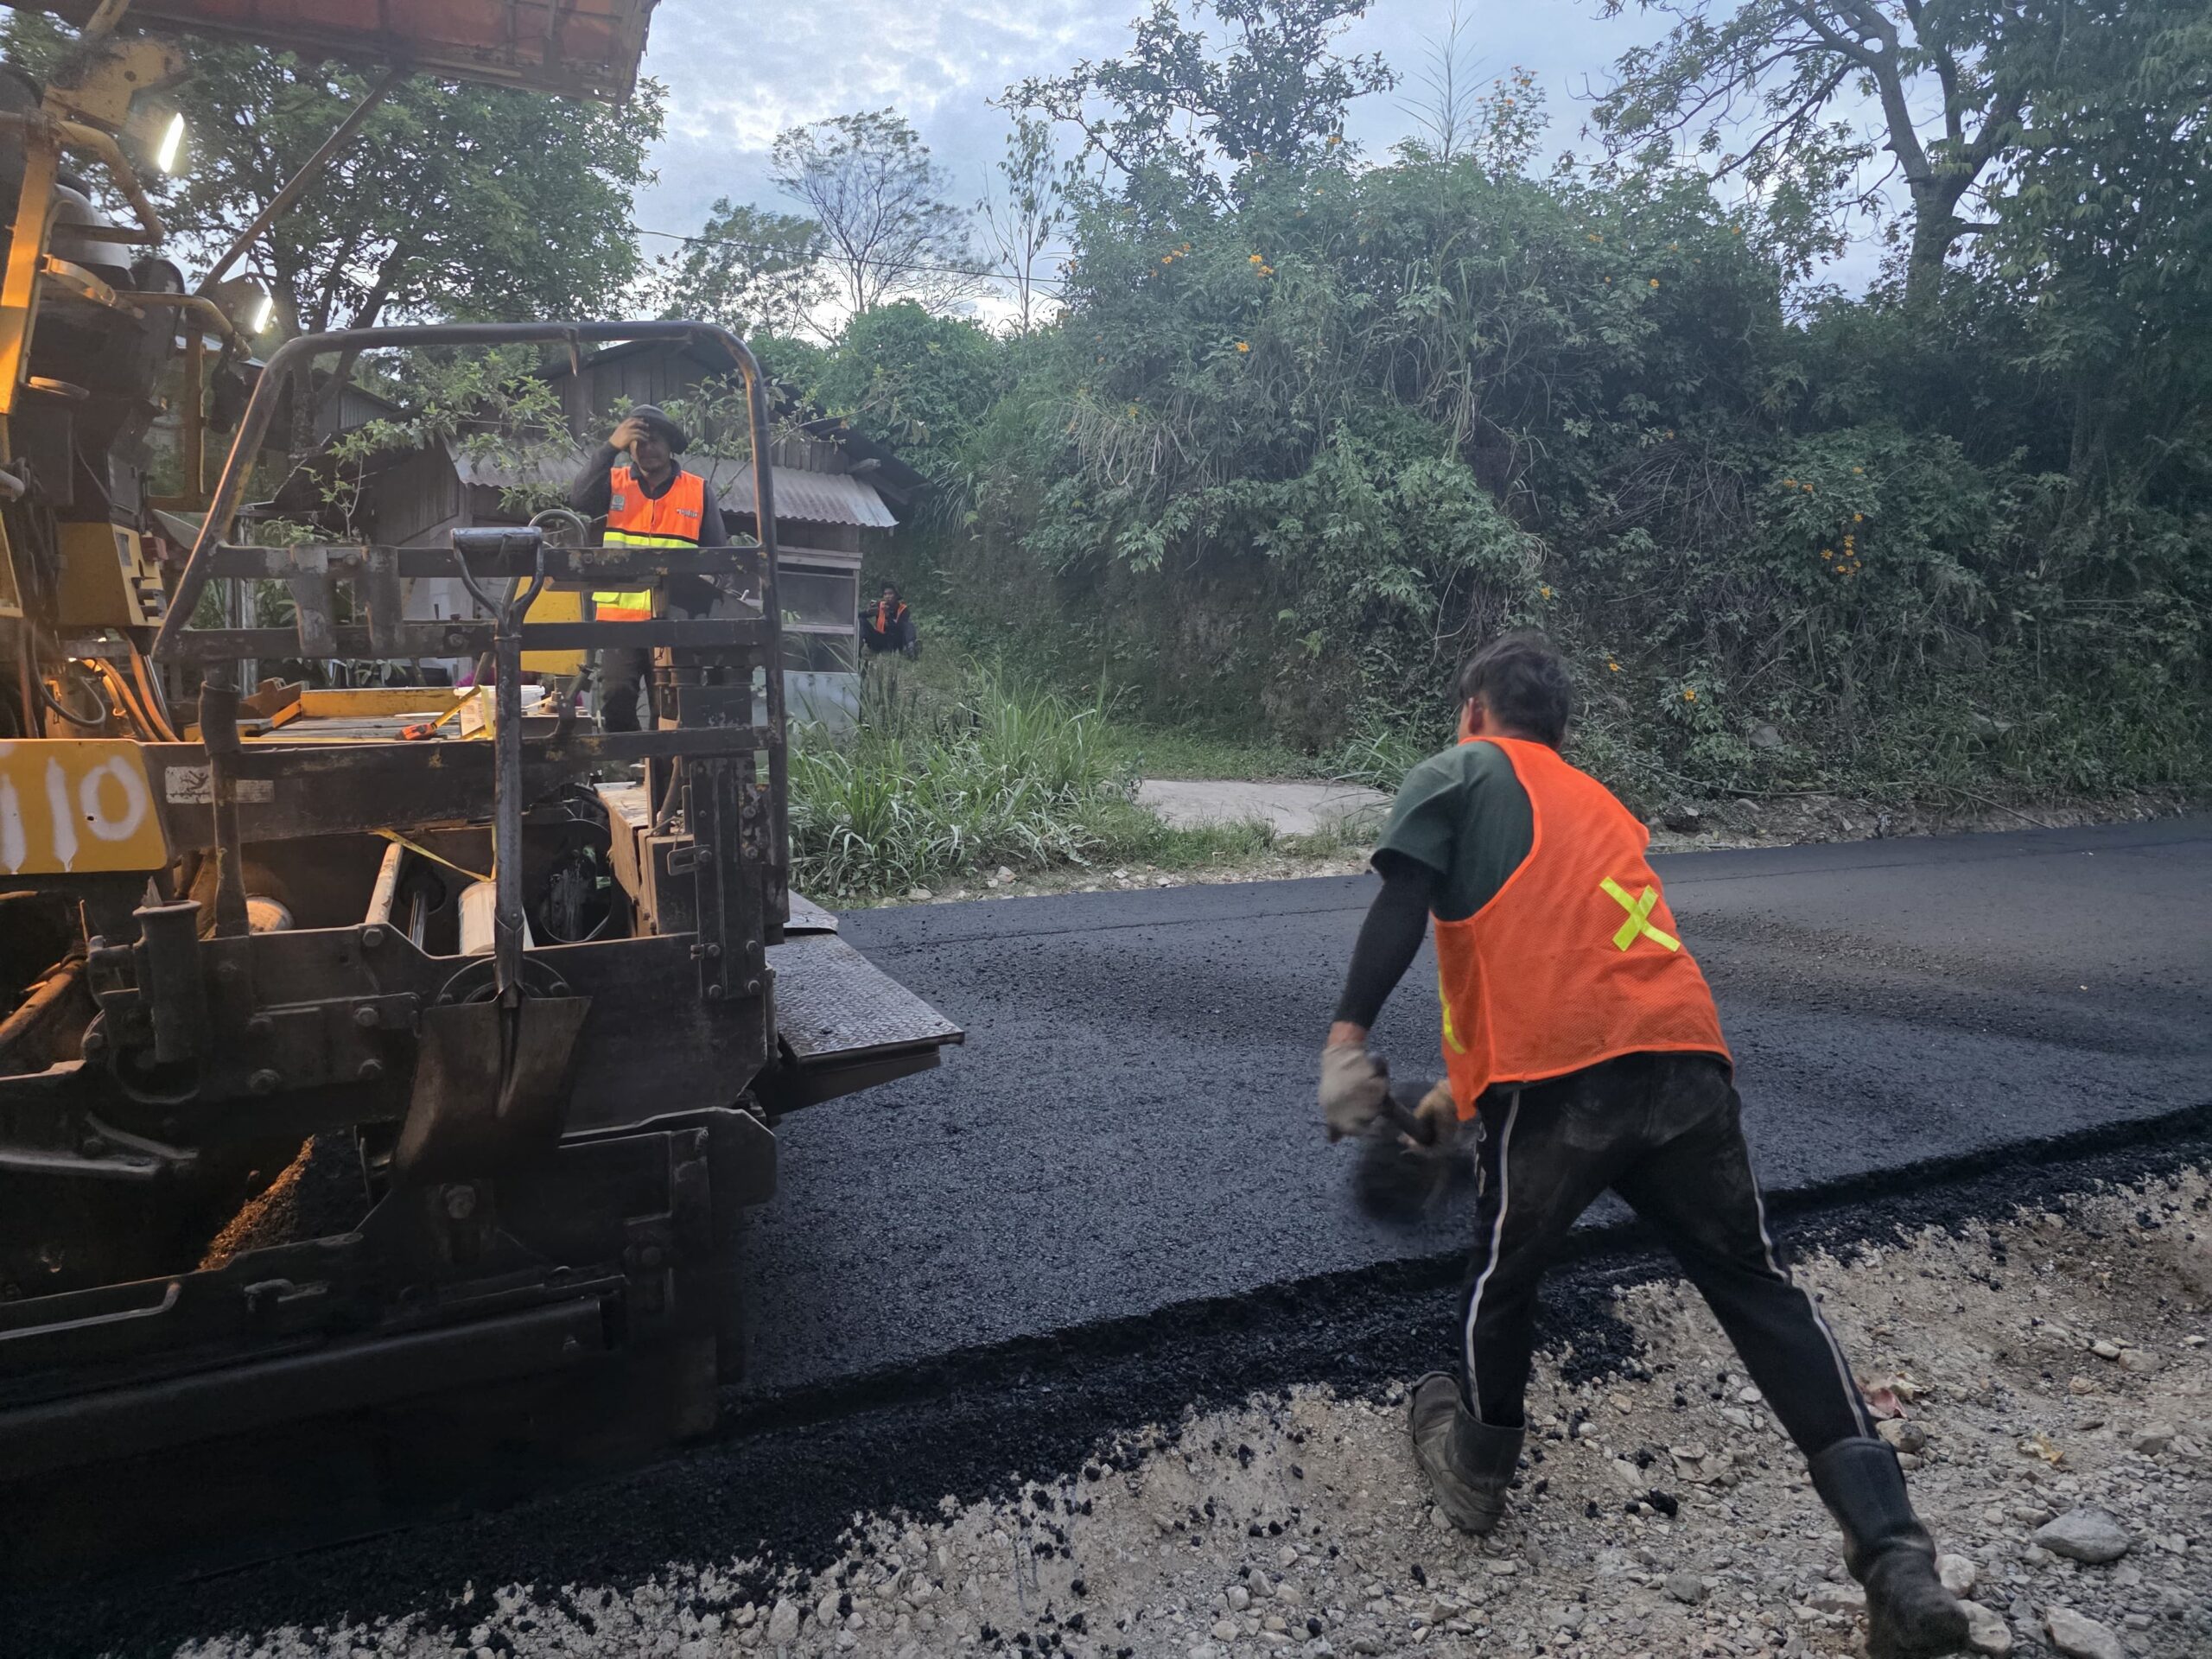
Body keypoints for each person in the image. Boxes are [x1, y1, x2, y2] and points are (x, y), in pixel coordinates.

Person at [1319, 632, 1967, 1659]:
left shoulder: (1460, 769)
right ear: (1560, 727)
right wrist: (1457, 1096)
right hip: (1685, 1061)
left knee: (1503, 1273)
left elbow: (1404, 895)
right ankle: (1895, 1554)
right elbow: (1567, 952)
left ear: (1474, 711)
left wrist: (1347, 1039)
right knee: (1755, 1287)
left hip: (1567, 1078)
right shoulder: (1597, 803)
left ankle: (1475, 1470)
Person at [568, 404, 728, 732]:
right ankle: (628, 759)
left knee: (669, 706)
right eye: (638, 442)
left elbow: (719, 556)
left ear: (670, 445)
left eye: (655, 440)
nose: (647, 448)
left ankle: (659, 764)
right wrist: (609, 447)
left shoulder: (697, 490)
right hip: (619, 620)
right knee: (615, 696)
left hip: (675, 621)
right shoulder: (614, 482)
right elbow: (579, 500)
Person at [861, 582, 917, 657]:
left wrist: (888, 616)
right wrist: (867, 612)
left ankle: (911, 648)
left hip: (896, 642)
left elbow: (899, 629)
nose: (887, 596)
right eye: (885, 594)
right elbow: (859, 616)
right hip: (880, 640)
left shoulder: (903, 609)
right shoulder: (879, 605)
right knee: (861, 621)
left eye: (890, 594)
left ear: (896, 596)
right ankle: (858, 646)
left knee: (909, 625)